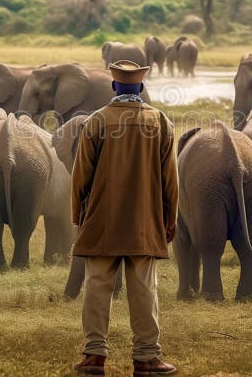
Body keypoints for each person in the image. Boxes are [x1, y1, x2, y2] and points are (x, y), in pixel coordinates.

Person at [71, 60, 179, 376]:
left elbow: (81, 176)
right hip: (145, 222)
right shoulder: (160, 122)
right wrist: (169, 217)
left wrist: (78, 214)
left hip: (101, 221)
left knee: (96, 287)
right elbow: (170, 178)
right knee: (145, 289)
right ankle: (147, 358)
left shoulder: (96, 121)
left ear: (114, 87)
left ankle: (94, 357)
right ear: (141, 88)